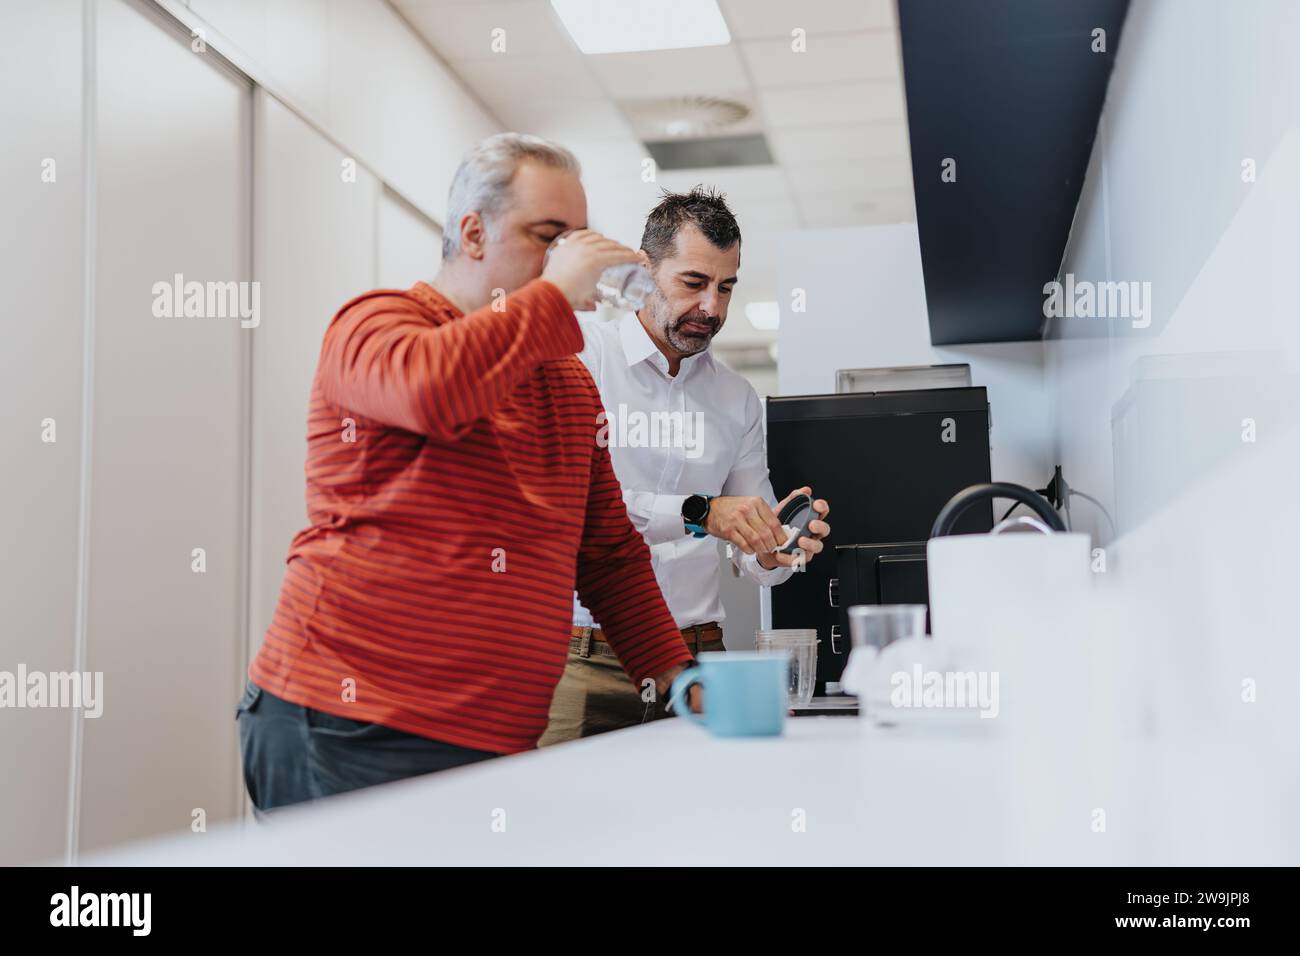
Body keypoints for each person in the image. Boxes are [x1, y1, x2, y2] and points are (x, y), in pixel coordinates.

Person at [236, 133, 700, 812]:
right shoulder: (376, 325)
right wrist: (557, 289)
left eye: (577, 241)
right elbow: (435, 394)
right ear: (474, 233)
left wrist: (680, 677)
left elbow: (607, 554)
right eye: (549, 236)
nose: (570, 260)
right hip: (349, 725)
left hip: (491, 741)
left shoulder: (566, 385)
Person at [540, 187, 831, 745]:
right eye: (693, 283)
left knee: (700, 825)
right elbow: (576, 508)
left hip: (698, 660)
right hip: (585, 660)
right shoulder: (583, 357)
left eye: (726, 288)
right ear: (644, 270)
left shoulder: (737, 398)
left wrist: (773, 549)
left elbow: (756, 555)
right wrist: (703, 513)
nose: (713, 309)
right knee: (568, 826)